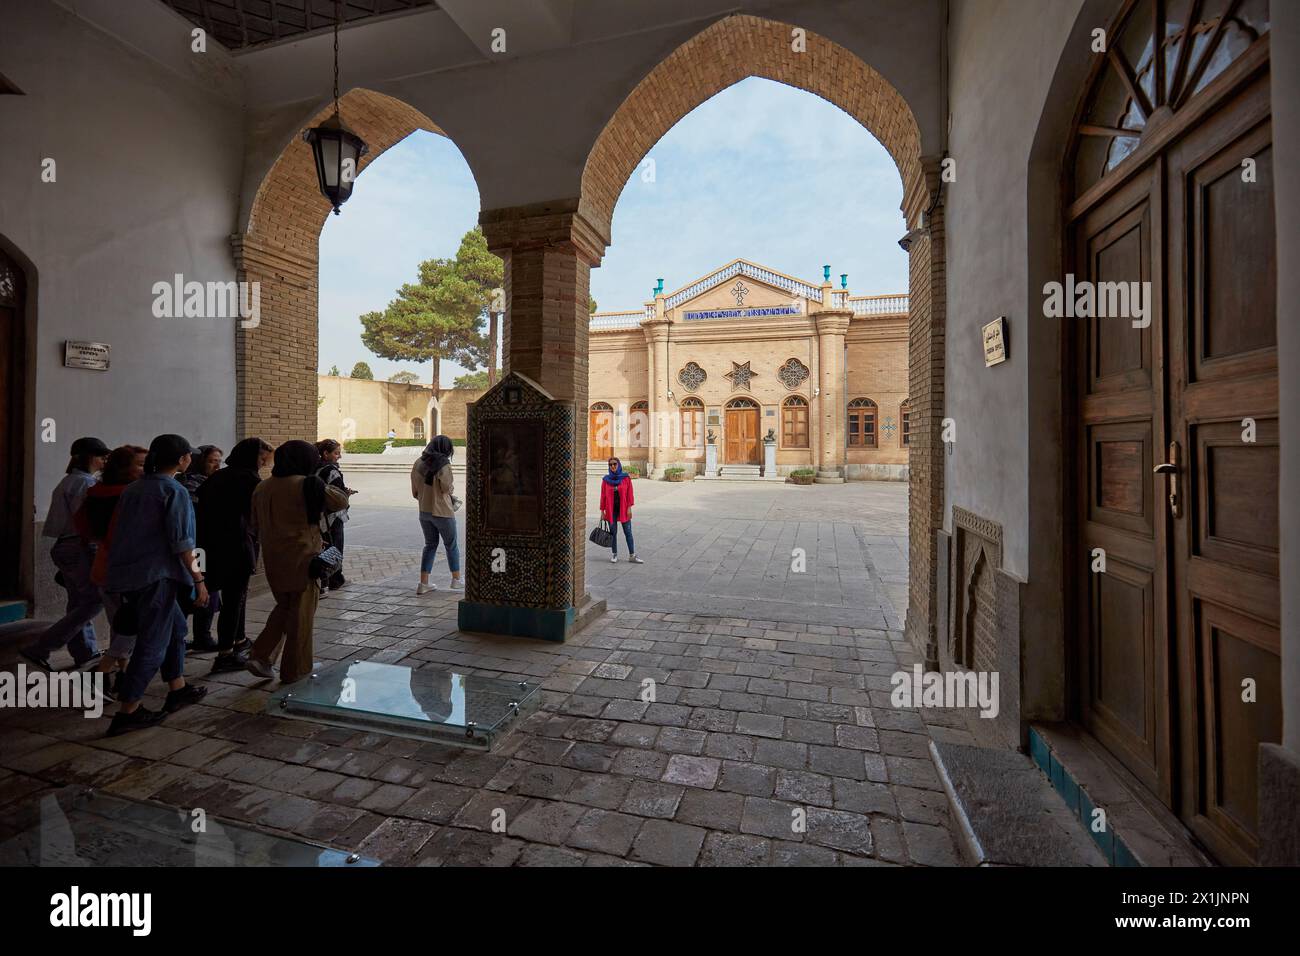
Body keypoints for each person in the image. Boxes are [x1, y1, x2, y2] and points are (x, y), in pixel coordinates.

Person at [103, 434, 209, 736]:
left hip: (131, 575)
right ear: (181, 459)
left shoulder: (134, 489)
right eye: (189, 455)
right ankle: (128, 710)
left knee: (176, 629)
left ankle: (177, 688)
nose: (190, 459)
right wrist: (198, 579)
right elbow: (182, 543)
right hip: (157, 577)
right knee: (152, 643)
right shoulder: (173, 490)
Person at [245, 441, 348, 684]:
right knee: (302, 616)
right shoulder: (305, 484)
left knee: (286, 607)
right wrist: (317, 482)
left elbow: (253, 521)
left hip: (273, 558)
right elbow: (340, 502)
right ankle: (296, 671)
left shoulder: (262, 487)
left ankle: (261, 656)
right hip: (303, 559)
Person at [21, 436, 112, 671]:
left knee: (79, 602)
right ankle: (42, 647)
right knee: (94, 600)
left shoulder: (68, 481)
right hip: (79, 546)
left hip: (65, 546)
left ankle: (85, 652)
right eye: (102, 456)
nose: (105, 461)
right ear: (91, 457)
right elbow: (87, 523)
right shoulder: (85, 485)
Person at [76, 445, 147, 699]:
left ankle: (122, 674)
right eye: (139, 464)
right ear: (123, 468)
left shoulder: (95, 492)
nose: (145, 468)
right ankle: (99, 672)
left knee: (120, 624)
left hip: (104, 566)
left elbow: (83, 527)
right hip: (127, 571)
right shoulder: (130, 495)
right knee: (132, 627)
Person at [197, 437, 272, 675]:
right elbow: (254, 516)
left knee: (231, 598)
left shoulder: (218, 477)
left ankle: (238, 641)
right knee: (233, 600)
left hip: (209, 545)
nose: (262, 463)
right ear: (251, 456)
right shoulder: (248, 480)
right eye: (261, 458)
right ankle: (225, 654)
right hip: (235, 547)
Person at [179, 444, 223, 651]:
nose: (216, 466)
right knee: (202, 590)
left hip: (204, 546)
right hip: (196, 548)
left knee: (206, 591)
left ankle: (199, 635)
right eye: (212, 461)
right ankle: (197, 636)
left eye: (219, 461)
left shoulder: (212, 483)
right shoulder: (188, 485)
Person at [411, 435, 462, 594]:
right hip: (442, 511)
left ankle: (423, 583)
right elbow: (446, 488)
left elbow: (415, 491)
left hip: (424, 511)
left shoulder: (418, 462)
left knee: (430, 545)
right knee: (451, 545)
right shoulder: (443, 464)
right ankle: (456, 580)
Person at [314, 438, 355, 592]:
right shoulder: (331, 470)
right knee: (335, 547)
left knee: (325, 546)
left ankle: (325, 579)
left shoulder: (315, 468)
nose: (339, 456)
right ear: (326, 453)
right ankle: (333, 579)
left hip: (321, 515)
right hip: (333, 516)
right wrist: (346, 494)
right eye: (336, 453)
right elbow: (338, 495)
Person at [599, 456, 642, 564]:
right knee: (613, 533)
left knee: (628, 532)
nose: (613, 466)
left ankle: (632, 555)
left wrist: (629, 508)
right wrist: (602, 511)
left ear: (618, 465)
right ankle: (614, 554)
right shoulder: (606, 480)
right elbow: (603, 496)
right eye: (610, 465)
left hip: (624, 509)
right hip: (611, 510)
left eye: (614, 464)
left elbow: (629, 494)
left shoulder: (625, 478)